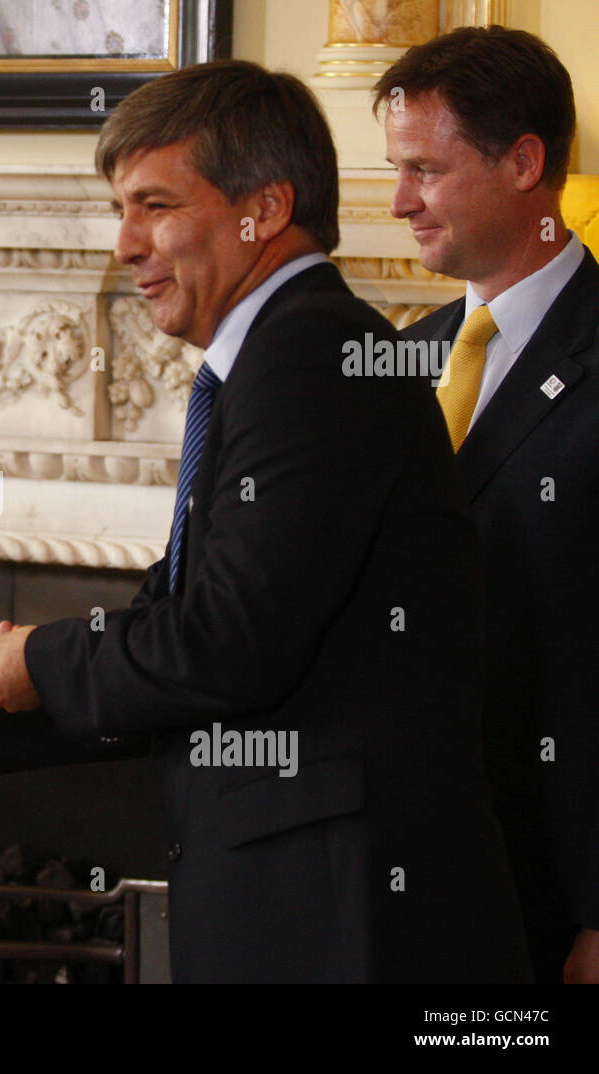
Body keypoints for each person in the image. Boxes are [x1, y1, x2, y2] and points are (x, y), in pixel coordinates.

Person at [0, 60, 530, 983]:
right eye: (120, 209)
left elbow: (226, 641)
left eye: (153, 205)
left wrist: (43, 662)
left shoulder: (314, 357)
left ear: (262, 209)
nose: (125, 244)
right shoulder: (277, 357)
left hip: (348, 923)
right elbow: (173, 625)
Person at [375, 26, 598, 984]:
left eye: (425, 170)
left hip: (554, 898)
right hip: (409, 888)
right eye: (395, 170)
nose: (398, 203)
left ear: (524, 162)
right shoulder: (403, 356)